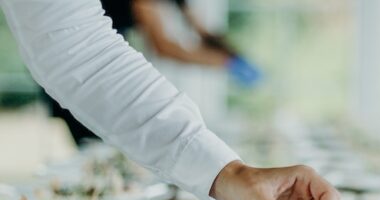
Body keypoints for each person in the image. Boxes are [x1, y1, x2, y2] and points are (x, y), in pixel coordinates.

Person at [1, 0, 337, 200]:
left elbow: (79, 48)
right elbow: (156, 45)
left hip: (98, 87)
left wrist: (231, 173)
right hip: (75, 96)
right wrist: (224, 65)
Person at [45, 0, 260, 145]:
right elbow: (163, 46)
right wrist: (225, 64)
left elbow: (204, 33)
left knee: (116, 144)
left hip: (105, 66)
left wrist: (237, 56)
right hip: (81, 66)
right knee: (98, 146)